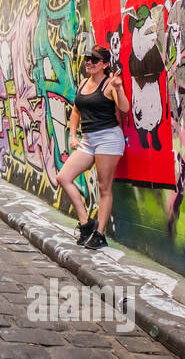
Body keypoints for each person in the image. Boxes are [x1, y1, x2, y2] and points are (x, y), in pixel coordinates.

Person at [55, 45, 130, 250]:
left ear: (105, 65)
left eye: (94, 60)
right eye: (88, 58)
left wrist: (119, 87)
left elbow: (124, 108)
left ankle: (99, 234)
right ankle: (86, 223)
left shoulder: (109, 84)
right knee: (63, 177)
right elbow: (76, 112)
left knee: (104, 187)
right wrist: (72, 135)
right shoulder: (82, 84)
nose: (89, 62)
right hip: (88, 140)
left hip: (108, 139)